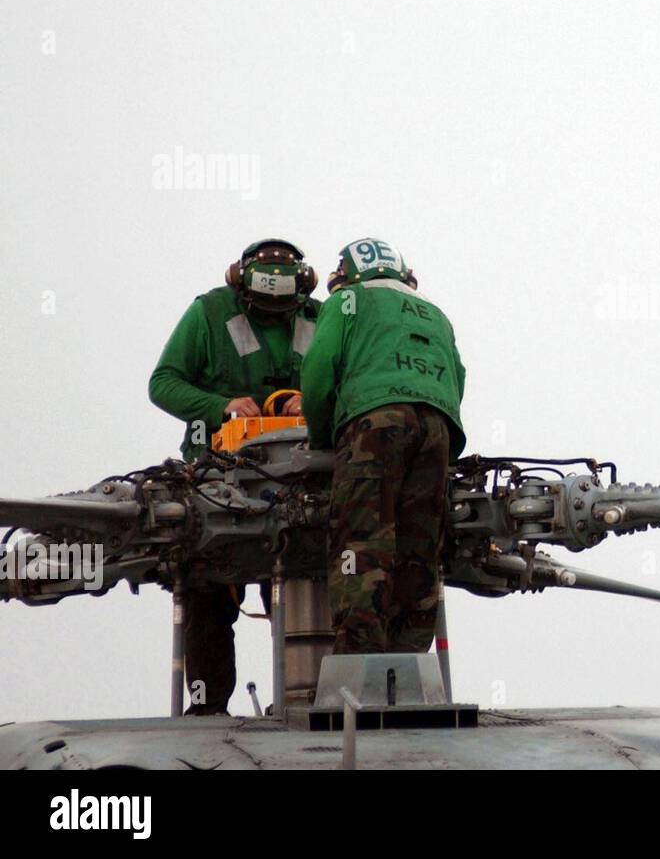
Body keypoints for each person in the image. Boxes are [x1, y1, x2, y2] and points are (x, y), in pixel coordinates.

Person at [148, 238, 320, 714]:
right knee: (207, 594)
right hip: (216, 481)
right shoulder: (209, 314)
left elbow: (348, 383)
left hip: (297, 481)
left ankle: (308, 704)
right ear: (241, 284)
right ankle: (207, 711)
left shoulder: (318, 317)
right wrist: (219, 407)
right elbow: (163, 383)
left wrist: (316, 399)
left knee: (305, 586)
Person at [301, 238, 466, 656]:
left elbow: (319, 368)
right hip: (438, 426)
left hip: (373, 423)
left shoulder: (346, 301)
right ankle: (410, 660)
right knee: (420, 544)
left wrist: (323, 441)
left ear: (346, 274)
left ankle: (359, 661)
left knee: (362, 538)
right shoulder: (434, 312)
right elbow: (458, 376)